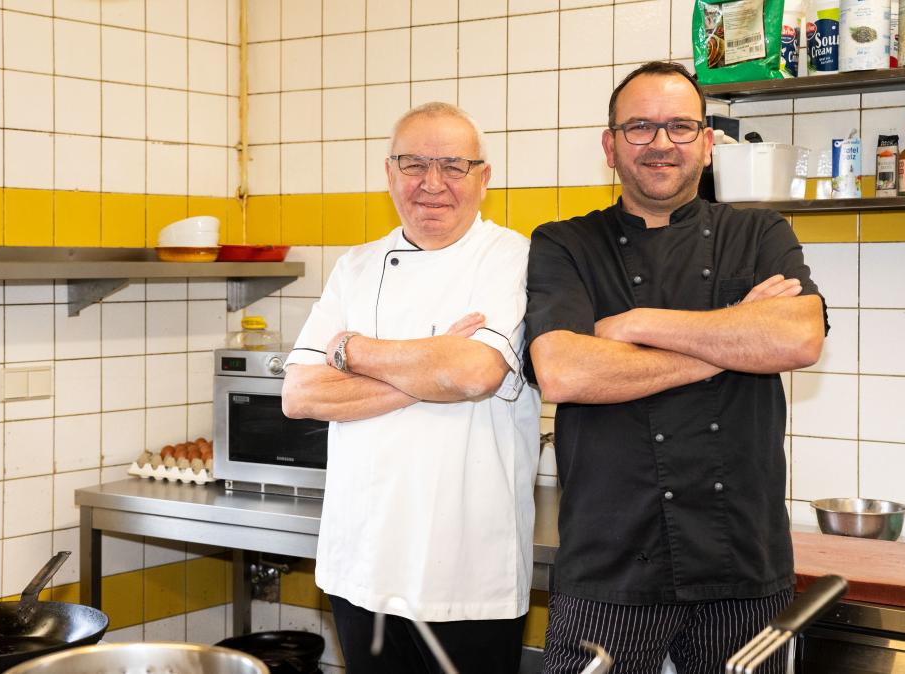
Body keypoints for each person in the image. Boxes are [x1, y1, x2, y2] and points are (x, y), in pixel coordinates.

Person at [525, 61, 827, 674]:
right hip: (610, 565)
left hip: (742, 563)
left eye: (681, 127)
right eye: (639, 127)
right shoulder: (563, 244)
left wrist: (634, 325)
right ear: (609, 146)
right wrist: (733, 339)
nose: (661, 143)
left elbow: (798, 337)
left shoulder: (761, 231)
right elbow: (565, 372)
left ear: (707, 143)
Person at [282, 102, 541, 674]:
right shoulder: (355, 267)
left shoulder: (517, 259)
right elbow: (300, 395)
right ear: (388, 173)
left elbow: (474, 374)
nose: (432, 184)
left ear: (483, 178)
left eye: (453, 165)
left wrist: (355, 353)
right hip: (362, 561)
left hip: (469, 570)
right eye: (413, 163)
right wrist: (433, 372)